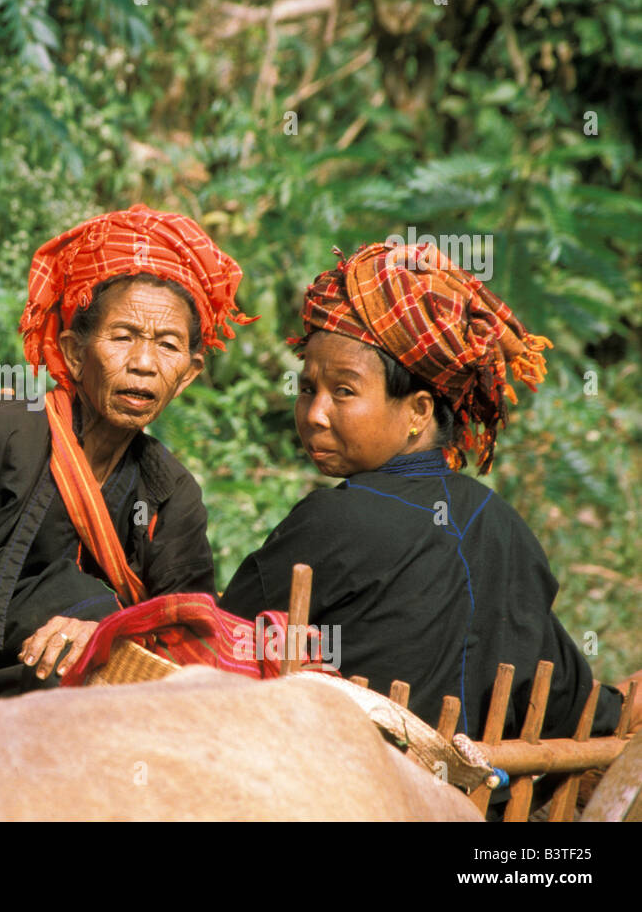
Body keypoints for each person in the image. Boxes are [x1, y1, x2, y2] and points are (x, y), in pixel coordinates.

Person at [218, 240, 640, 743]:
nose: (314, 413)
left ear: (418, 411)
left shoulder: (332, 521)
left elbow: (217, 646)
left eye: (344, 392)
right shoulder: (501, 522)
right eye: (308, 388)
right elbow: (566, 700)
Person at [0, 204, 252, 713]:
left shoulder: (170, 494)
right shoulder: (3, 432)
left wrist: (107, 630)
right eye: (122, 338)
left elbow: (188, 637)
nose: (143, 364)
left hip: (75, 721)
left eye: (168, 345)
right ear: (75, 352)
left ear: (188, 372)